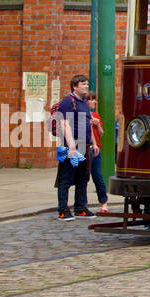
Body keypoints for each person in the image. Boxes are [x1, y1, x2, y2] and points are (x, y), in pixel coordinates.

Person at [56, 75, 94, 220]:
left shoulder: (84, 102)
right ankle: (63, 210)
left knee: (83, 178)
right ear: (75, 86)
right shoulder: (68, 102)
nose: (86, 86)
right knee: (66, 178)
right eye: (83, 84)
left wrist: (94, 143)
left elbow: (87, 124)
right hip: (73, 145)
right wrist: (71, 144)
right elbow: (64, 124)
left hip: (85, 145)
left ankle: (80, 208)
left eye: (86, 84)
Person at [85, 92, 110, 214]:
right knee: (84, 178)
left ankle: (104, 202)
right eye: (92, 100)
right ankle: (82, 204)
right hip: (86, 149)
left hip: (96, 150)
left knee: (98, 177)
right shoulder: (83, 115)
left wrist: (97, 125)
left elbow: (100, 134)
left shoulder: (96, 115)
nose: (94, 102)